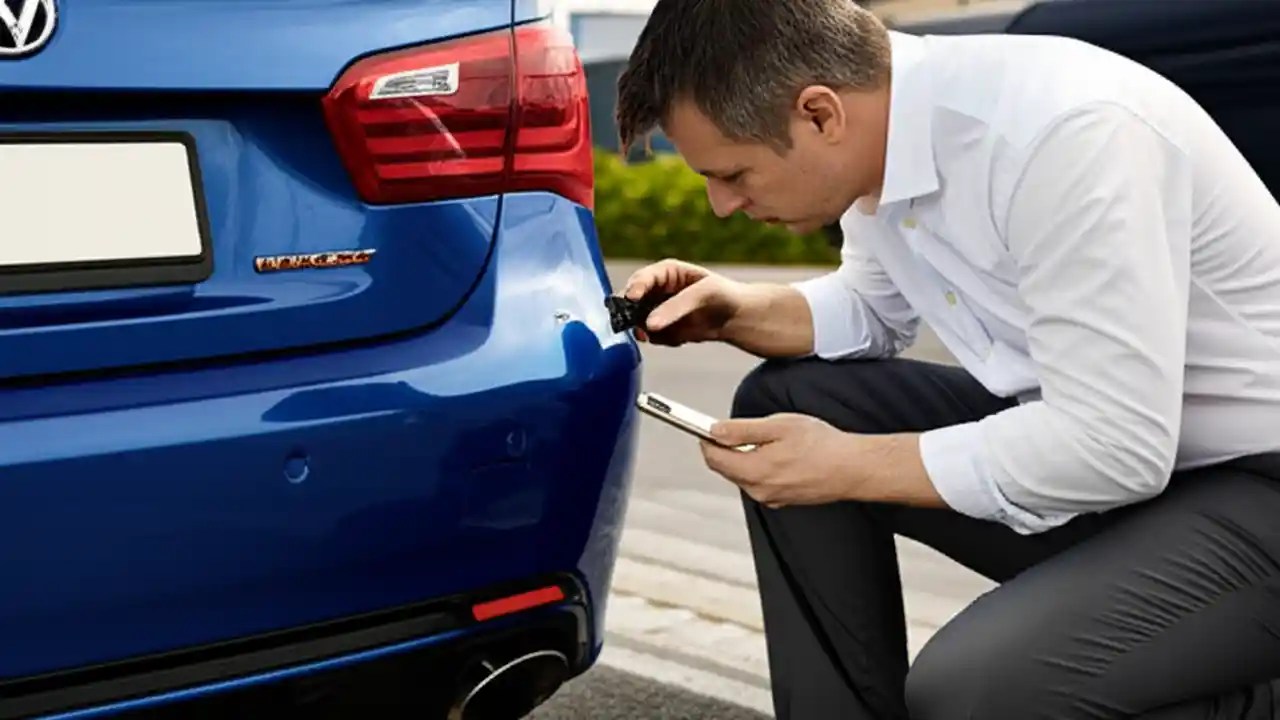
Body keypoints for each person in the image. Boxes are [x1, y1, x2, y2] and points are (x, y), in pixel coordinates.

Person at [613, 1, 1280, 719]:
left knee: (975, 694)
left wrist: (844, 465)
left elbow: (1112, 446)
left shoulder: (1065, 136)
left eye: (733, 173)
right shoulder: (887, 138)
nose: (720, 206)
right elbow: (871, 308)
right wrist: (739, 310)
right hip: (1140, 467)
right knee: (793, 402)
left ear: (819, 114)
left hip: (1254, 483)